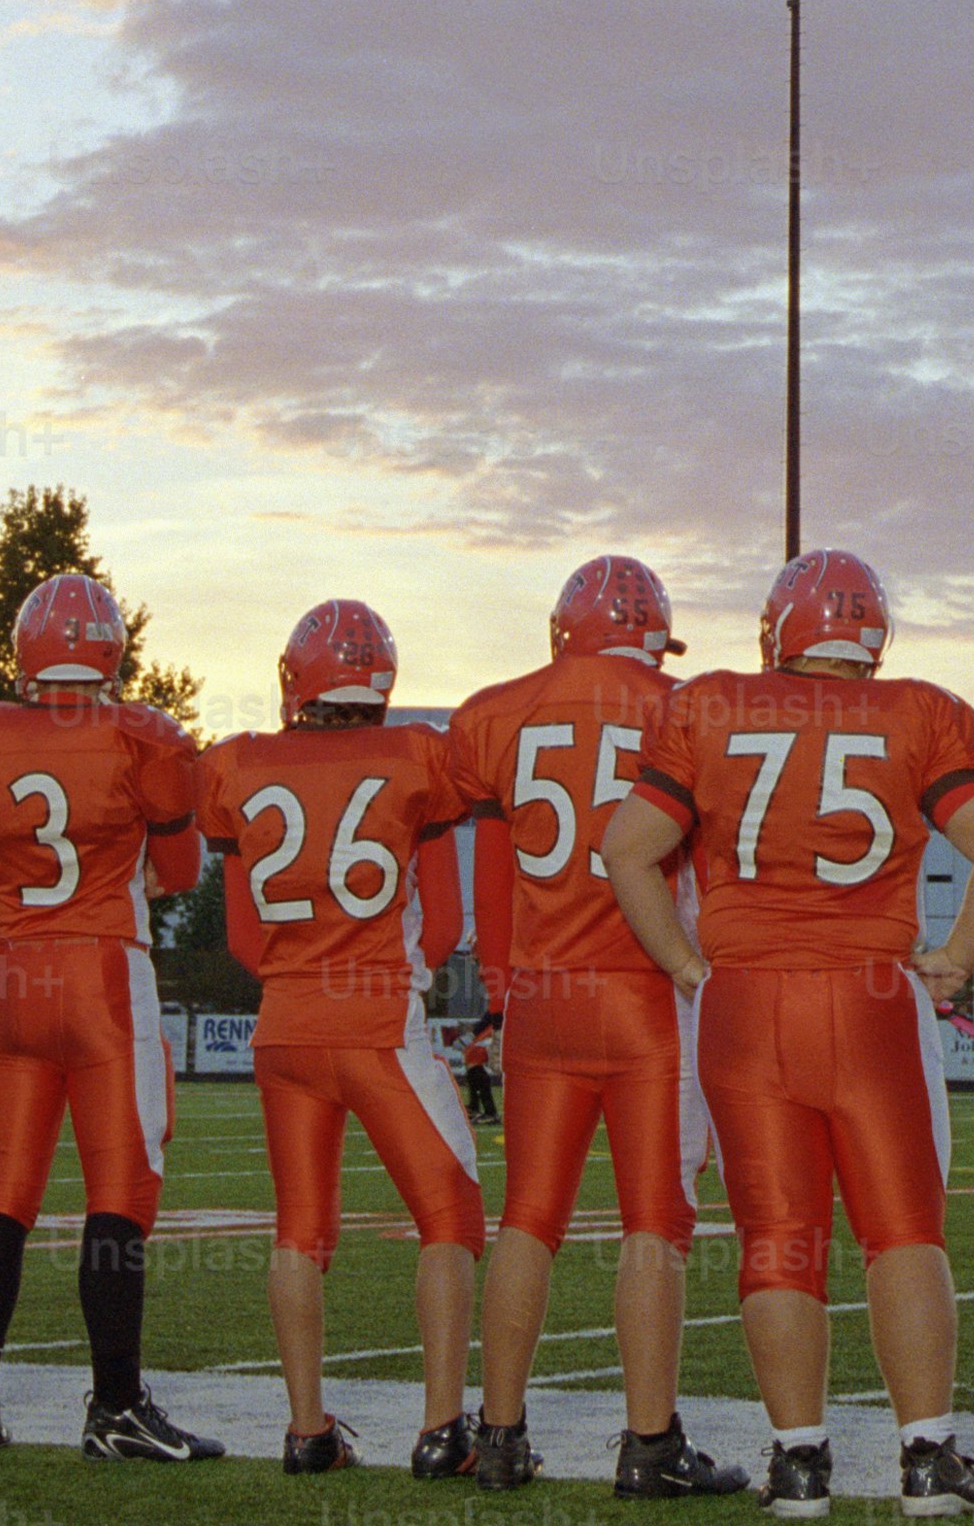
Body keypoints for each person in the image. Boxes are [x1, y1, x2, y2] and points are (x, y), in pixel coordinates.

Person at [603, 547, 974, 1526]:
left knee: (778, 1241)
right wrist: (955, 961)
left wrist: (682, 964)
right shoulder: (924, 713)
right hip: (872, 995)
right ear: (874, 636)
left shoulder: (708, 704)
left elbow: (629, 849)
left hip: (744, 1004)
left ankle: (798, 1463)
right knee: (904, 1233)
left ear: (776, 628)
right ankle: (925, 1459)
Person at [438, 550, 745, 1500]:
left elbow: (487, 863)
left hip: (541, 996)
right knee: (654, 1221)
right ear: (652, 633)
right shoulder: (687, 705)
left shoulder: (496, 711)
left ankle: (497, 1437)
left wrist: (496, 988)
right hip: (650, 991)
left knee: (528, 1216)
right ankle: (649, 1447)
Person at [198, 598, 481, 1476]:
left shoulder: (237, 762)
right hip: (375, 1021)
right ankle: (440, 1432)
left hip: (283, 1028)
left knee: (299, 1228)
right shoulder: (417, 758)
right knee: (452, 1213)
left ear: (295, 681)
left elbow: (244, 940)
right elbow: (442, 927)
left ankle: (306, 1429)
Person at [0, 564, 216, 1460]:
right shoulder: (141, 737)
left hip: (11, 975)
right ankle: (115, 1407)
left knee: (2, 1201)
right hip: (101, 976)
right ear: (111, 652)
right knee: (119, 1197)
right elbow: (178, 873)